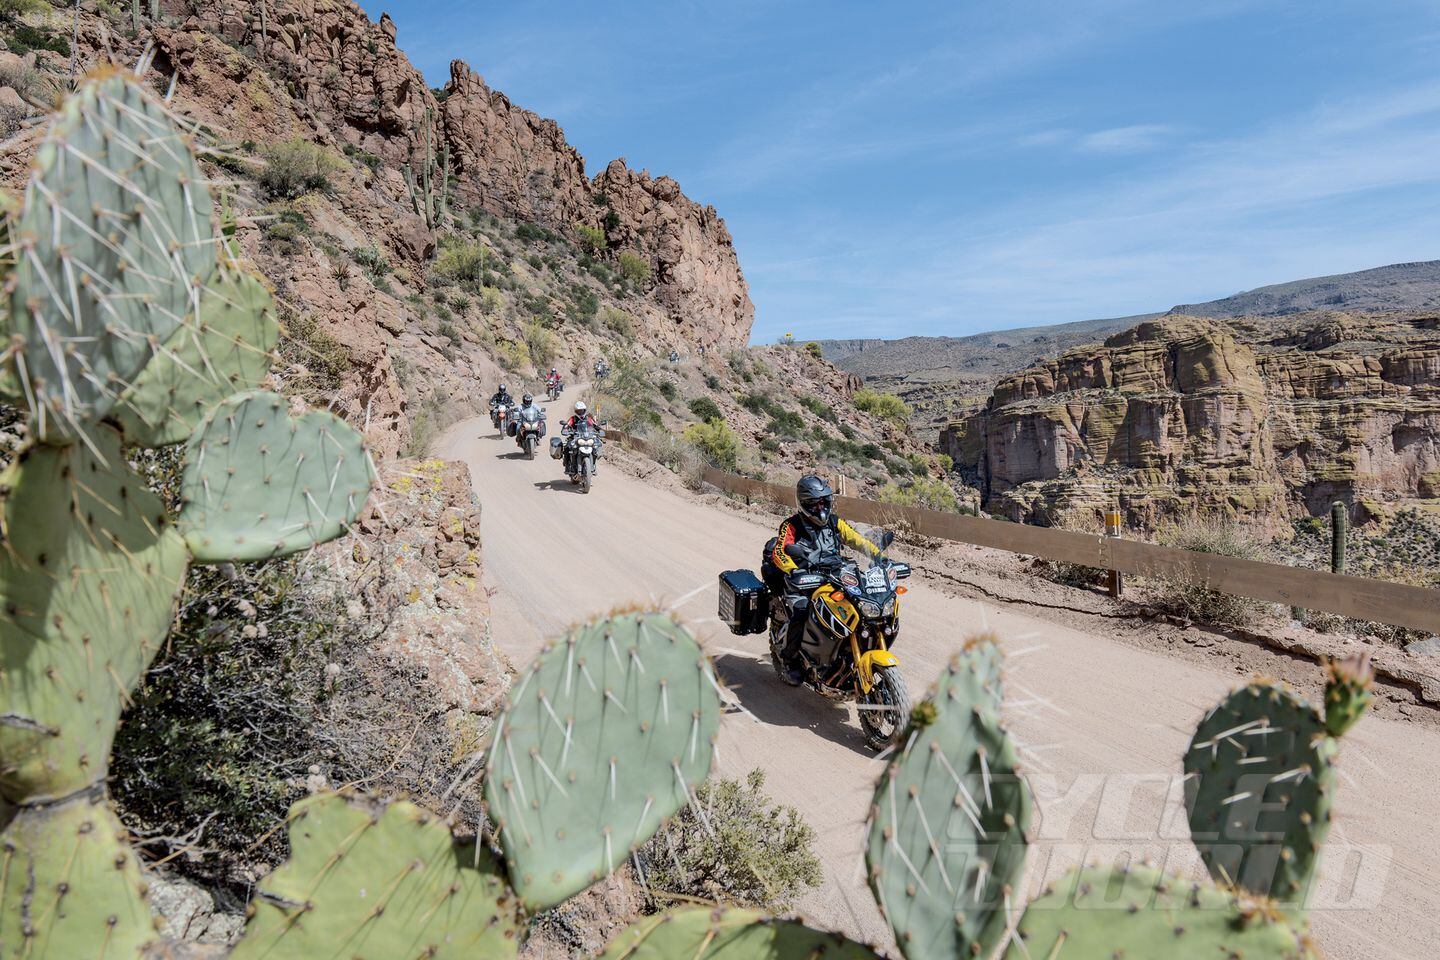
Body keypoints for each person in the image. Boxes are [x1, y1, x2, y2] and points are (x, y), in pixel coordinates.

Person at [769, 475, 879, 685]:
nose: (820, 507)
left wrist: (878, 555)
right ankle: (789, 660)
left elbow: (858, 540)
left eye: (823, 501)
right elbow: (780, 552)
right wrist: (793, 571)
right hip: (803, 582)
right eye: (814, 503)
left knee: (860, 604)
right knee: (802, 611)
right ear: (804, 503)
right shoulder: (791, 525)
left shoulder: (835, 522)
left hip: (834, 577)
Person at [561, 400, 602, 473]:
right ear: (576, 411)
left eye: (582, 410)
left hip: (587, 436)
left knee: (595, 448)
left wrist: (600, 430)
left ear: (585, 410)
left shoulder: (588, 418)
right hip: (575, 437)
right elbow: (567, 425)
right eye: (579, 411)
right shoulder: (572, 419)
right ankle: (567, 466)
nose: (580, 412)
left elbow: (594, 425)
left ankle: (593, 465)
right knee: (567, 447)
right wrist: (565, 429)